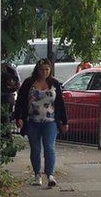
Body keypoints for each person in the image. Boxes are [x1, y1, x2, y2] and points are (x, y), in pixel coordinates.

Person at [13, 58, 68, 188]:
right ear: (37, 70)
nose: (44, 72)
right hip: (32, 121)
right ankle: (37, 174)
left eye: (47, 70)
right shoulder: (29, 83)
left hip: (50, 121)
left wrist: (64, 121)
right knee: (36, 148)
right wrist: (19, 117)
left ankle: (50, 175)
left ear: (50, 70)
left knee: (49, 147)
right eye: (42, 70)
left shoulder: (54, 83)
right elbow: (20, 101)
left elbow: (60, 103)